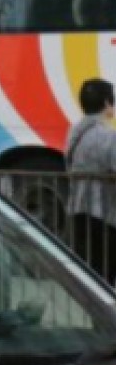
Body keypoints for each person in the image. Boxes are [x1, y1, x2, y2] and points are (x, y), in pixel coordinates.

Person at [66, 78, 116, 284]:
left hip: (78, 211)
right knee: (105, 276)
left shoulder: (74, 132)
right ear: (106, 103)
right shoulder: (107, 136)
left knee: (89, 277)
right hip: (104, 215)